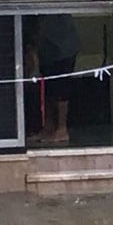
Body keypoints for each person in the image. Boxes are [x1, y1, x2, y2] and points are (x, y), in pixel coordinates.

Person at [25, 14, 80, 145]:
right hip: (46, 49)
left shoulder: (59, 16)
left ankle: (62, 128)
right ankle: (48, 127)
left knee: (61, 89)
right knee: (49, 90)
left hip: (63, 48)